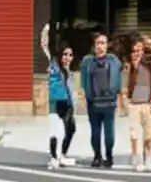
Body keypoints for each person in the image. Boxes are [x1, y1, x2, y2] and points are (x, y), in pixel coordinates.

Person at [79, 33, 122, 168]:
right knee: (95, 132)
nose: (100, 46)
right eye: (98, 43)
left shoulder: (114, 61)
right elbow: (83, 80)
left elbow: (119, 81)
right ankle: (97, 156)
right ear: (94, 45)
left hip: (110, 103)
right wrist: (84, 94)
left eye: (103, 43)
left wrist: (120, 98)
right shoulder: (87, 62)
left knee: (109, 134)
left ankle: (109, 156)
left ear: (107, 45)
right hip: (93, 103)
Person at [39, 24, 76, 169]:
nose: (67, 57)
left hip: (67, 105)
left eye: (70, 55)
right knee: (55, 132)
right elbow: (44, 45)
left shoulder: (70, 72)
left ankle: (61, 156)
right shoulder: (54, 65)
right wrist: (46, 29)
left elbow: (70, 90)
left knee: (67, 131)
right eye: (65, 54)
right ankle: (54, 158)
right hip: (56, 103)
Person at [122, 39, 151, 171]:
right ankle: (136, 158)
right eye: (134, 51)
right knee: (134, 135)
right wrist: (125, 102)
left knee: (148, 135)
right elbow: (125, 86)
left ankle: (148, 159)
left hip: (147, 104)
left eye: (139, 50)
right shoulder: (130, 67)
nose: (136, 53)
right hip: (134, 104)